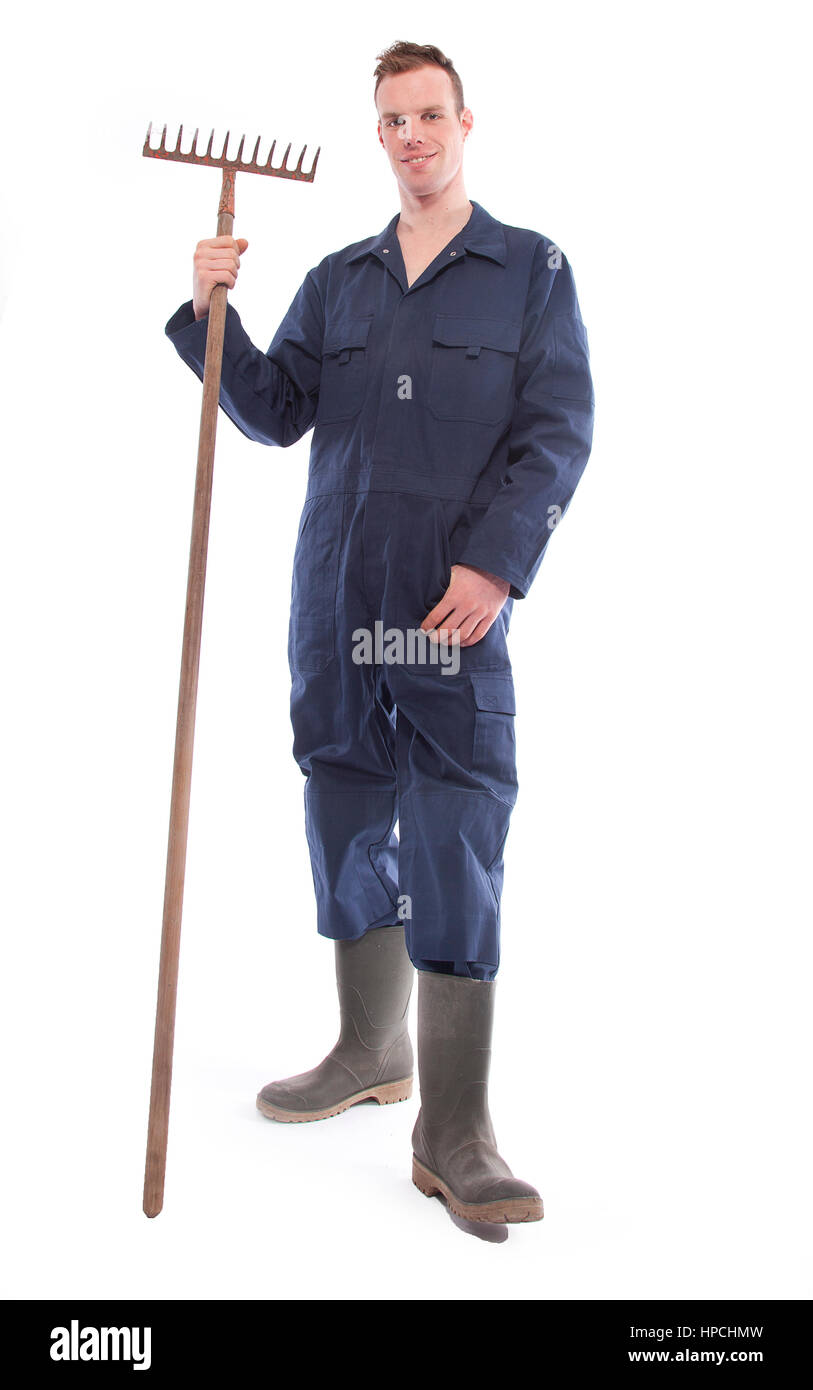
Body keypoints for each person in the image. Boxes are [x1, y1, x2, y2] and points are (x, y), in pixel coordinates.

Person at [164, 40, 594, 1225]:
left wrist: (497, 561)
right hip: (339, 602)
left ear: (465, 123)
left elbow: (559, 426)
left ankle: (455, 1127)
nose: (413, 136)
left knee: (455, 824)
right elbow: (274, 411)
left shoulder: (529, 270)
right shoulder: (340, 280)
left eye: (429, 115)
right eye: (394, 120)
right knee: (345, 801)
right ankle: (369, 1047)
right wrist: (210, 315)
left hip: (445, 611)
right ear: (379, 135)